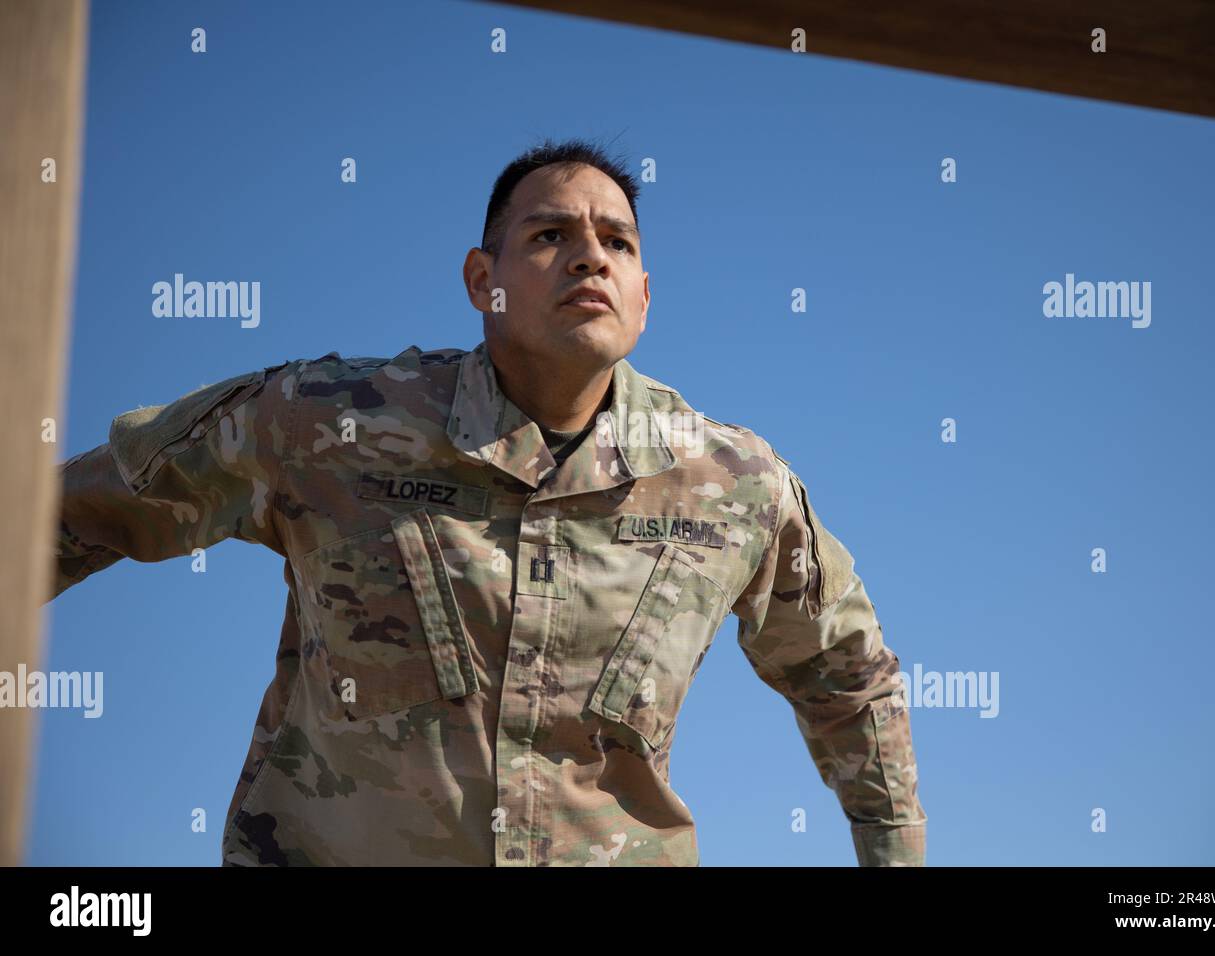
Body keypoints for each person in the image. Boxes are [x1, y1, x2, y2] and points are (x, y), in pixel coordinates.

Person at [50, 138, 926, 866]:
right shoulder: (322, 423)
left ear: (644, 299)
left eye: (618, 243)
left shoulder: (736, 485)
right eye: (550, 234)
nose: (591, 255)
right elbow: (67, 516)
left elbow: (846, 676)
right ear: (483, 279)